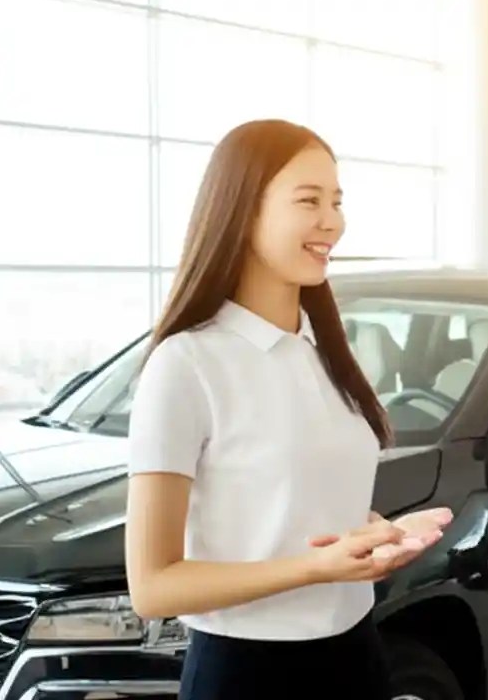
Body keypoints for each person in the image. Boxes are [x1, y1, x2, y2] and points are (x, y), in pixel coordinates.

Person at [123, 119, 453, 700]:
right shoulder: (187, 363)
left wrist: (374, 535)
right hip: (248, 674)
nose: (333, 221)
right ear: (243, 210)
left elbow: (296, 506)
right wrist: (316, 569)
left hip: (355, 654)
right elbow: (153, 586)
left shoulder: (322, 352)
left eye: (337, 201)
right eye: (309, 200)